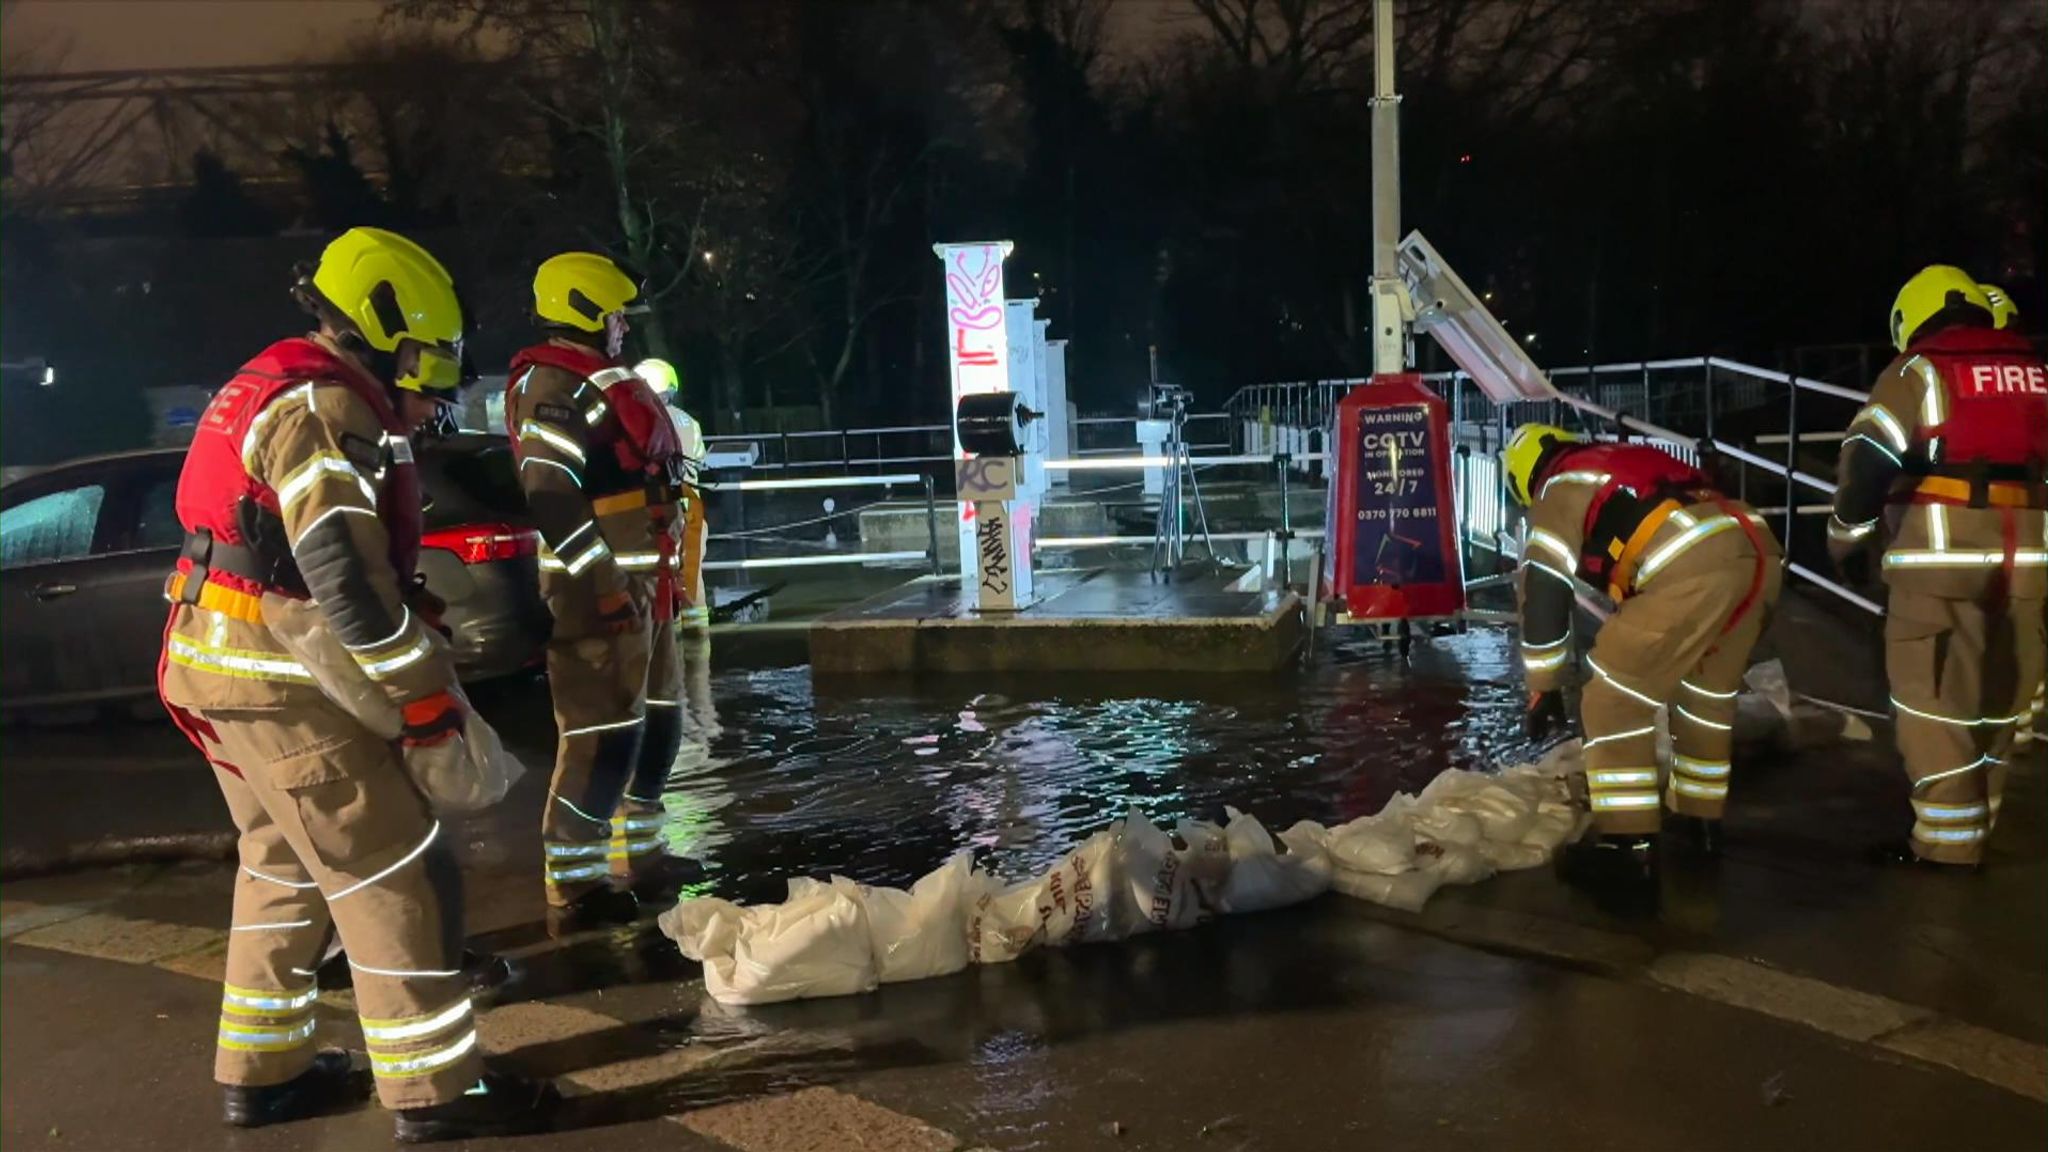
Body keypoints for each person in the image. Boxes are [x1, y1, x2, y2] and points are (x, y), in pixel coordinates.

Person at [158, 227, 556, 1142]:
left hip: (221, 664)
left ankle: (263, 1077)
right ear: (385, 329)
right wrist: (421, 695)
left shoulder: (275, 382)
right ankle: (439, 1095)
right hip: (283, 680)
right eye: (428, 365)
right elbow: (339, 574)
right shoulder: (327, 408)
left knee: (283, 868)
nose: (432, 396)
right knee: (395, 873)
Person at [1827, 265, 2047, 868]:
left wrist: (1848, 542)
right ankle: (1976, 826)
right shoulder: (2034, 371)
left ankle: (1946, 851)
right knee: (2000, 698)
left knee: (1932, 701)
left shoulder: (1918, 371)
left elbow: (1868, 456)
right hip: (2031, 560)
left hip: (1939, 564)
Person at [505, 253, 697, 929]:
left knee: (661, 726)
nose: (621, 327)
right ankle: (575, 885)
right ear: (584, 307)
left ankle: (645, 856)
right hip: (599, 594)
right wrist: (607, 585)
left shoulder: (597, 379)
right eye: (614, 314)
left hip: (650, 586)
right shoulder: (552, 385)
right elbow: (552, 497)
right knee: (601, 737)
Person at [1503, 423, 1782, 888]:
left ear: (1524, 477)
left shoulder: (1560, 484)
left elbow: (1545, 585)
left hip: (1692, 562)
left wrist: (1544, 686)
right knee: (1705, 698)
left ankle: (1626, 851)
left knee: (1612, 698)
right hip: (1759, 552)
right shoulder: (1614, 462)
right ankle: (1701, 825)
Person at [636, 357, 711, 631]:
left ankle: (671, 639)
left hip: (658, 511)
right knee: (692, 579)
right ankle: (700, 641)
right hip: (691, 511)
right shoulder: (689, 422)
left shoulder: (640, 421)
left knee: (661, 580)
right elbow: (699, 459)